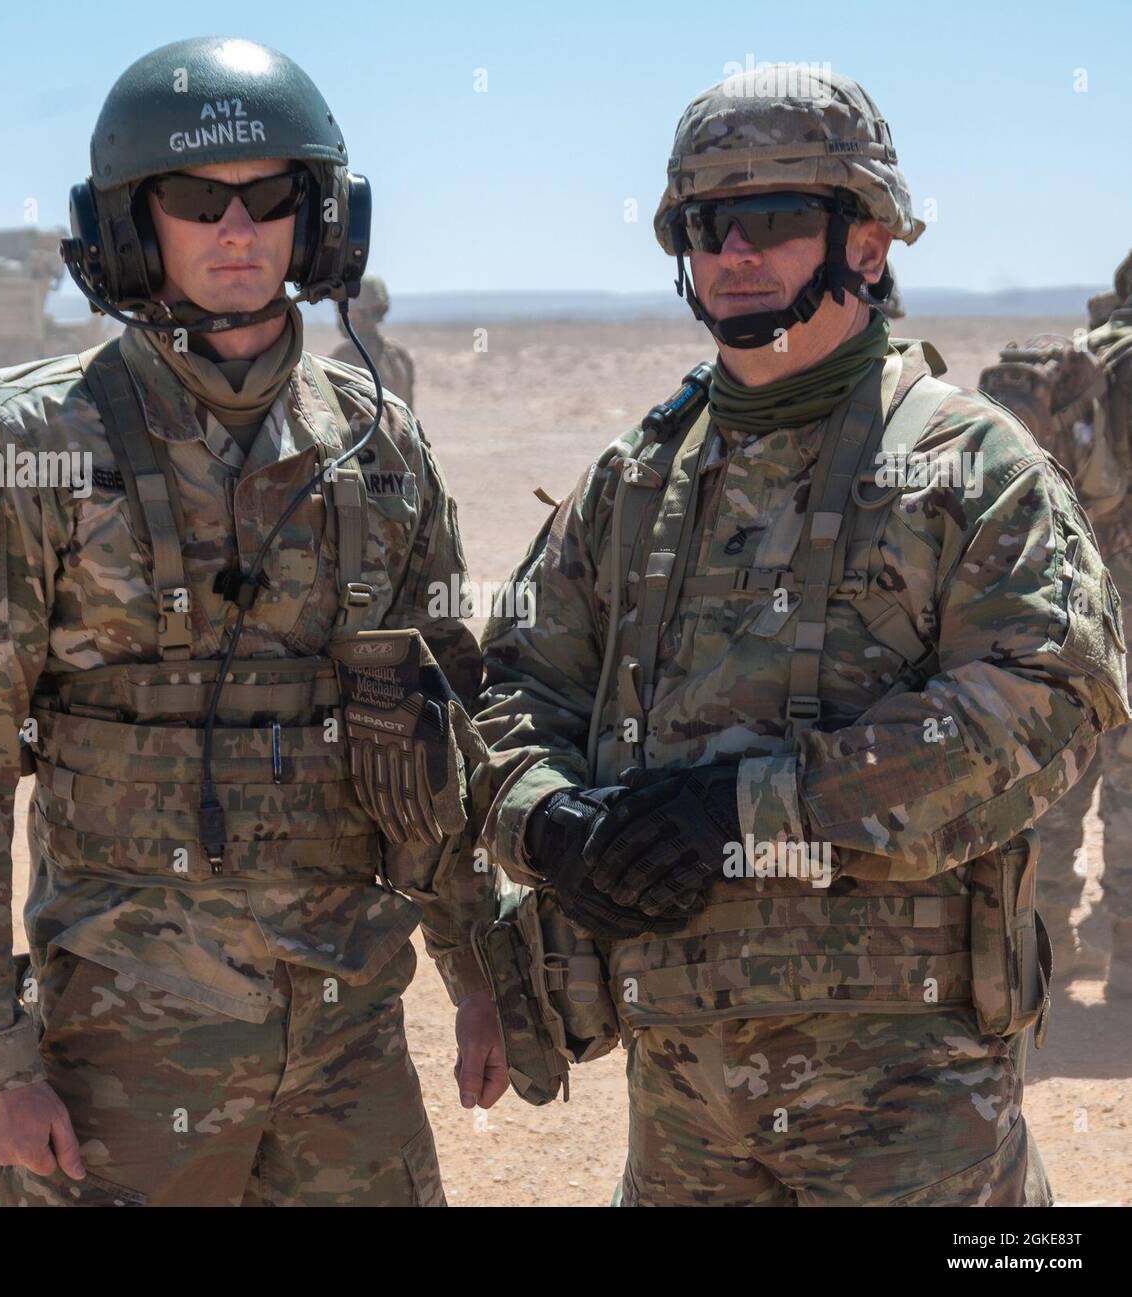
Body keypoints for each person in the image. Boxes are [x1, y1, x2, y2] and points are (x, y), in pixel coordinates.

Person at [471, 65, 1130, 1206]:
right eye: (703, 224)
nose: (733, 252)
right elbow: (509, 686)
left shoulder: (971, 468)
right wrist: (552, 822)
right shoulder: (636, 481)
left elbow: (1044, 705)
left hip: (910, 1106)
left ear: (866, 245)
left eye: (772, 219)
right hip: (681, 1105)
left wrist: (744, 814)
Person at [0, 36, 505, 1208]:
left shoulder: (382, 451)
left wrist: (478, 969)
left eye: (271, 194)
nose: (236, 226)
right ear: (128, 225)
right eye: (194, 198)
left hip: (347, 1049)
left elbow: (440, 743)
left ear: (320, 219)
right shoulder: (27, 449)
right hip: (120, 1057)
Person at [980, 253, 1132, 990]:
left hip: (1072, 599)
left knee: (1063, 779)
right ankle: (1130, 961)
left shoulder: (1083, 365)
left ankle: (1049, 944)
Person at [330, 275, 416, 407]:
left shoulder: (340, 360)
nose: (342, 316)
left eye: (349, 312)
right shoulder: (399, 354)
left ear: (367, 314)